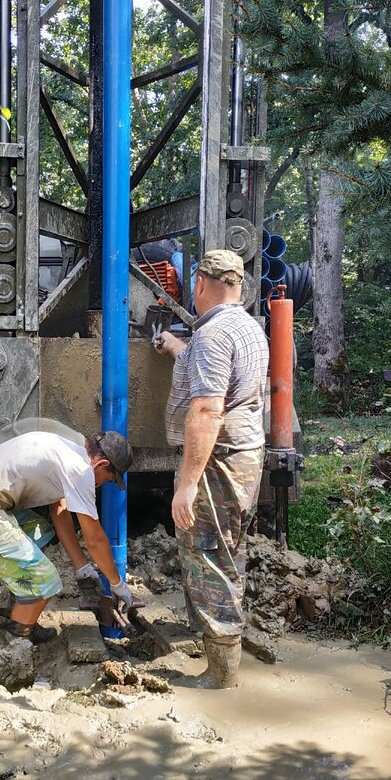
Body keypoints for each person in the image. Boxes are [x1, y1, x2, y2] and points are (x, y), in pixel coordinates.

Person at [154, 249, 269, 688]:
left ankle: (221, 677)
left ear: (200, 283)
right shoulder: (246, 328)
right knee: (227, 548)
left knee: (209, 556)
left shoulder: (212, 337)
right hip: (243, 455)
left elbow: (205, 410)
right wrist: (178, 349)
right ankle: (220, 650)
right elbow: (223, 374)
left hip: (216, 462)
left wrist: (186, 485)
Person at [0, 427, 136, 642]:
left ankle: (22, 617)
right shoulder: (81, 470)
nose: (102, 485)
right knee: (43, 579)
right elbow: (94, 539)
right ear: (102, 465)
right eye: (107, 480)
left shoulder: (68, 448)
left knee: (40, 534)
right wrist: (118, 585)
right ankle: (13, 643)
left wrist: (83, 568)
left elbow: (59, 510)